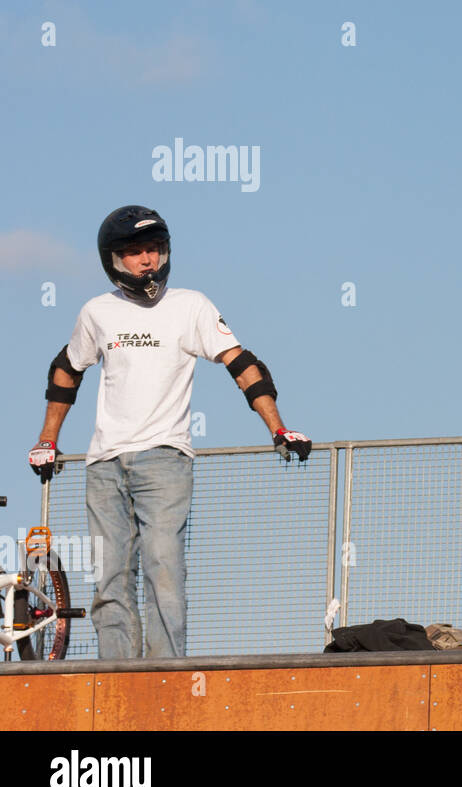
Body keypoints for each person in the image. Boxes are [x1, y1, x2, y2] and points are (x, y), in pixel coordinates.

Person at [28, 205, 311, 658]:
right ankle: (117, 677)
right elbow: (66, 369)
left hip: (164, 460)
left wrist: (278, 427)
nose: (147, 261)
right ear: (114, 261)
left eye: (154, 250)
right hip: (104, 464)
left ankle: (164, 676)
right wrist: (47, 441)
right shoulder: (97, 312)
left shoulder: (190, 305)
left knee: (164, 567)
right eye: (135, 252)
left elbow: (242, 364)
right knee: (111, 575)